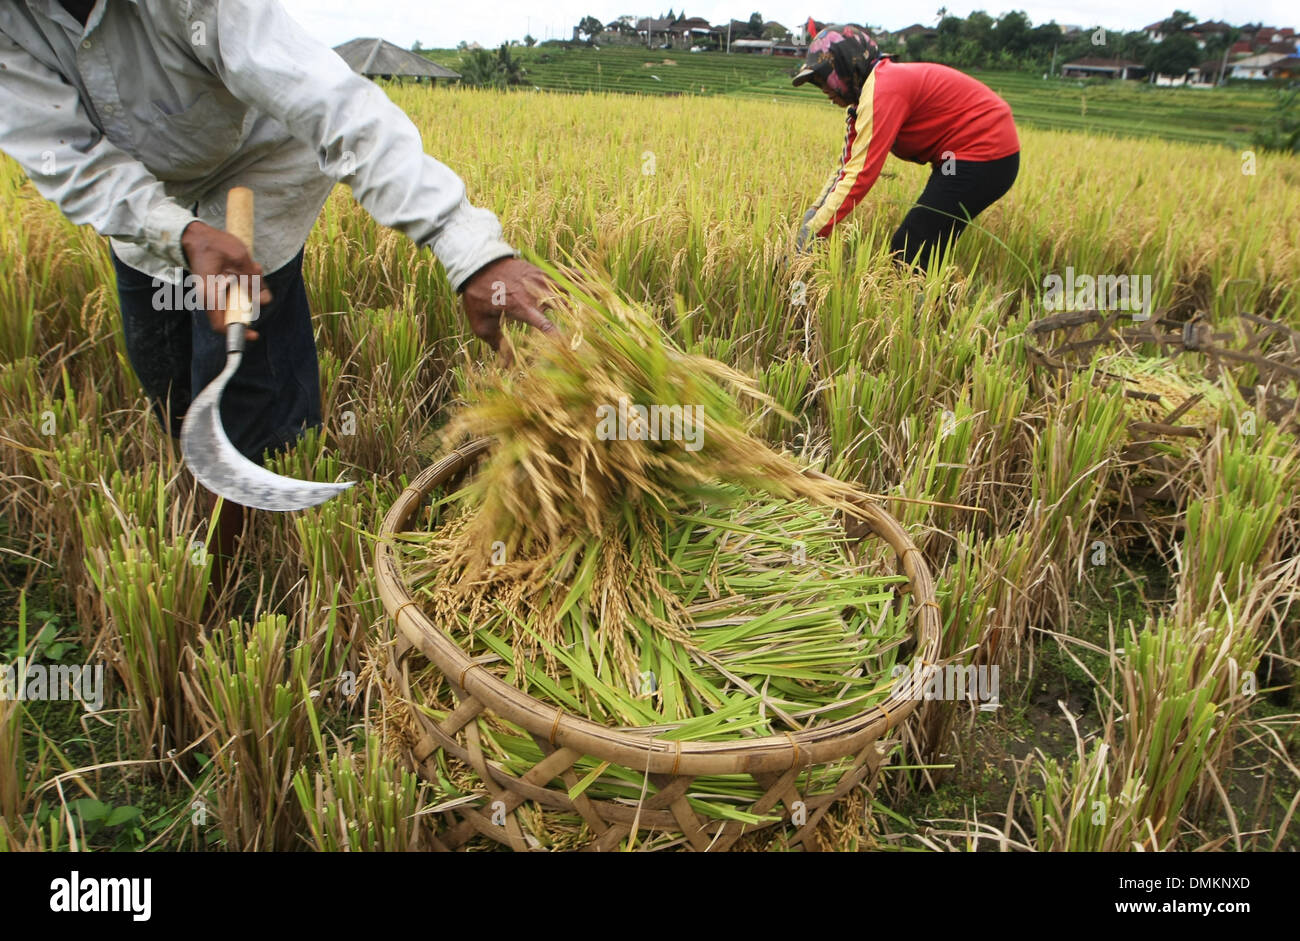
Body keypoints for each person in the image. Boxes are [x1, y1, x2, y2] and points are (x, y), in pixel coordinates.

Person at [0, 0, 557, 563]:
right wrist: (181, 233)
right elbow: (70, 157)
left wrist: (469, 250)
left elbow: (334, 107)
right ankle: (204, 468)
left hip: (256, 164)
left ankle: (240, 550)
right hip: (141, 192)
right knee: (168, 377)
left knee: (243, 374)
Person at [793, 25, 1020, 271]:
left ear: (848, 67)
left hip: (984, 153)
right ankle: (931, 302)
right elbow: (847, 167)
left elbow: (860, 175)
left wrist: (812, 235)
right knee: (928, 239)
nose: (825, 90)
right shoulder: (865, 99)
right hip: (955, 161)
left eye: (825, 79)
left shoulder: (883, 90)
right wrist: (814, 211)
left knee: (913, 245)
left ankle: (918, 305)